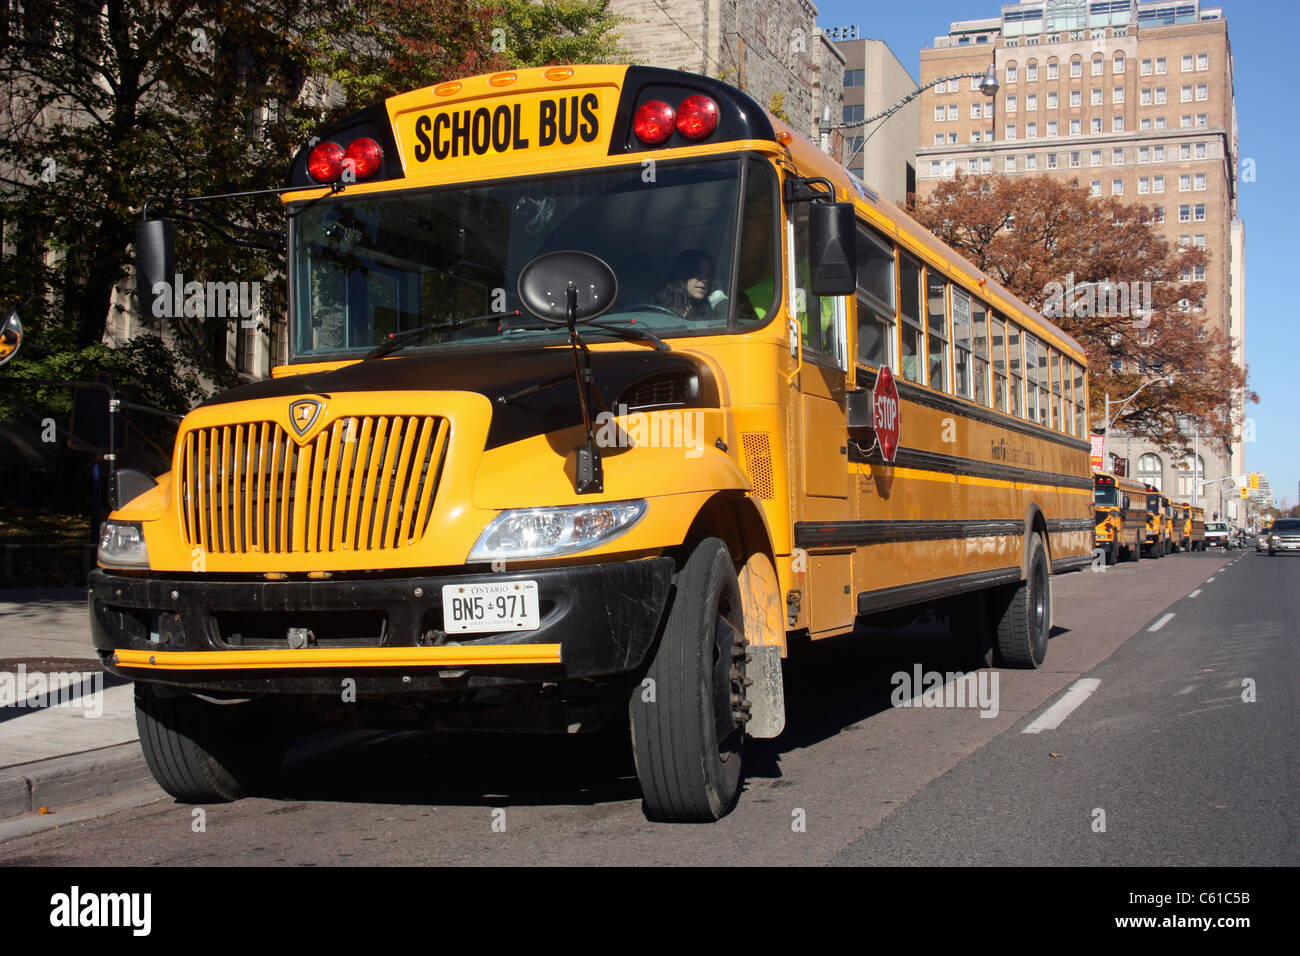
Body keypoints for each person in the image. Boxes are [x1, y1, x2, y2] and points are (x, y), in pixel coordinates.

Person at [655, 249, 724, 321]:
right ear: (683, 274)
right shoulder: (657, 305)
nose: (705, 279)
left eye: (708, 275)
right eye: (698, 272)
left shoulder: (706, 313)